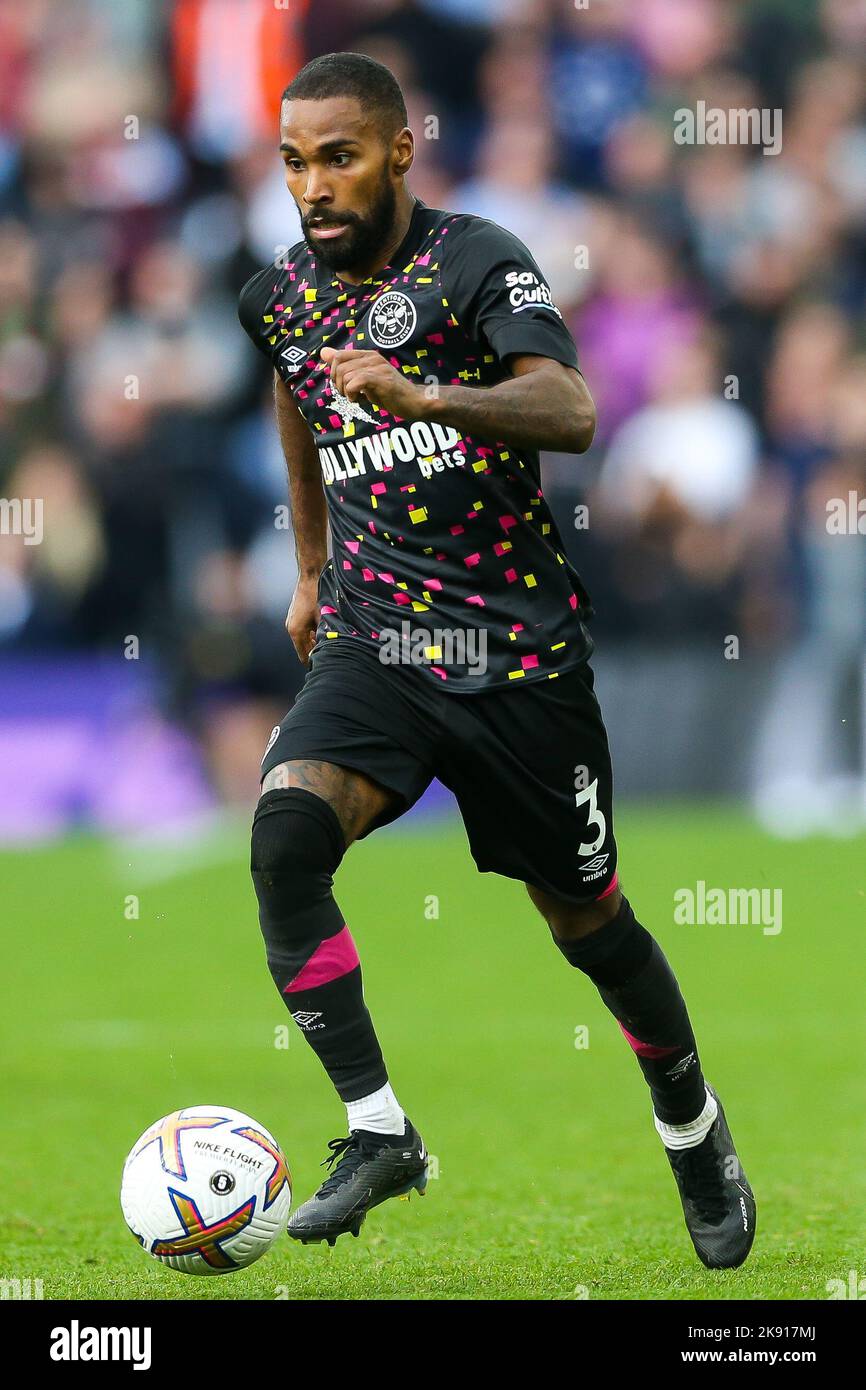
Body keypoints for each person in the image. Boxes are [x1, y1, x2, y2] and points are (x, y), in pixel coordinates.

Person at [238, 51, 755, 1269]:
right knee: (282, 838)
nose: (314, 186)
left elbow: (569, 409)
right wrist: (310, 569)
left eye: (339, 157)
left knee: (588, 923)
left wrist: (423, 394)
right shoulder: (279, 295)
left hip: (513, 654)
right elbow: (295, 395)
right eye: (294, 162)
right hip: (377, 644)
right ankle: (378, 1132)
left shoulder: (474, 260)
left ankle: (690, 1124)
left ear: (400, 149)